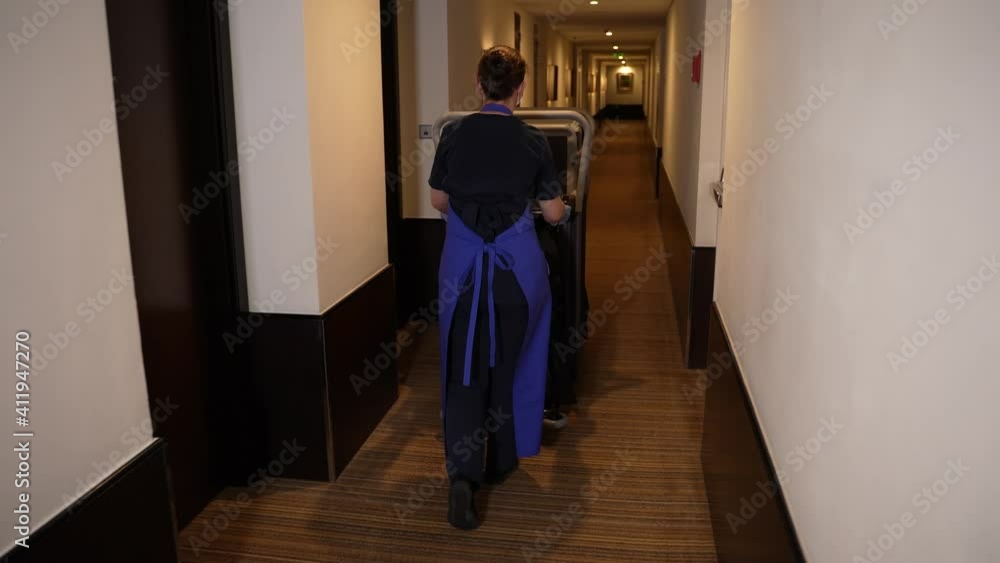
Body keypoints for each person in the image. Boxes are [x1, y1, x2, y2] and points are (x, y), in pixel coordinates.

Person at [429, 45, 572, 530]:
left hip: (462, 270)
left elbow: (438, 200)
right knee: (512, 360)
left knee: (463, 366)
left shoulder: (453, 133)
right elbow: (552, 212)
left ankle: (463, 478)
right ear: (521, 89)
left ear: (478, 84)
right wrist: (561, 207)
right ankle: (502, 460)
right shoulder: (533, 140)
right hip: (517, 274)